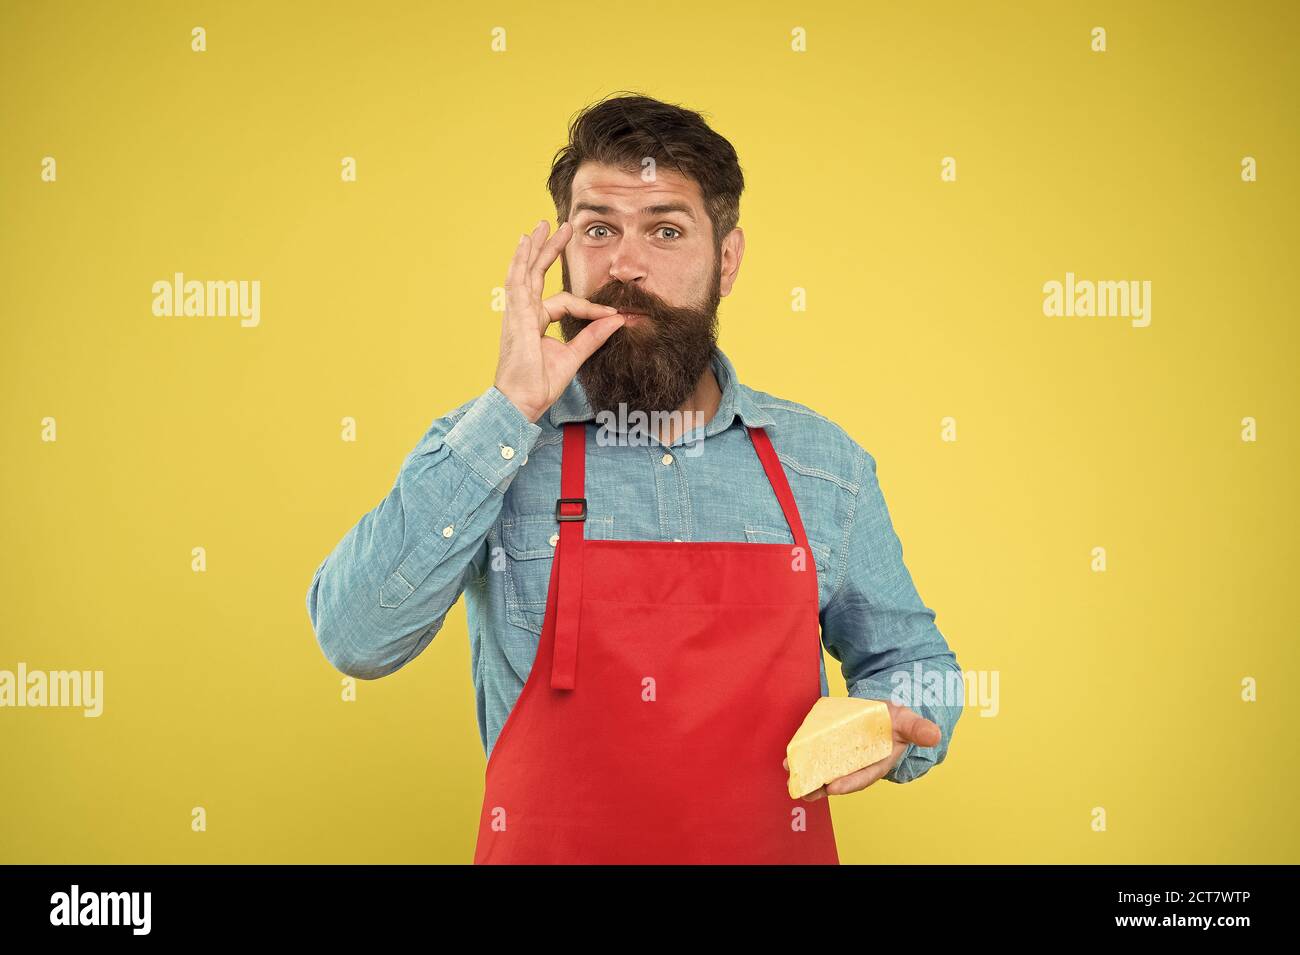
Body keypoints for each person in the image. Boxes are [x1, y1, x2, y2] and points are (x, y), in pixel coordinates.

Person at [306, 92, 963, 864]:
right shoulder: (488, 446)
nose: (625, 263)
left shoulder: (823, 467)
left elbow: (921, 667)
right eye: (598, 229)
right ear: (566, 252)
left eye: (666, 230)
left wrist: (896, 724)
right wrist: (509, 411)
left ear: (728, 259)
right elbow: (355, 637)